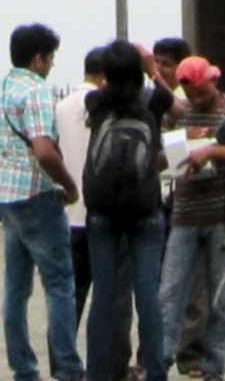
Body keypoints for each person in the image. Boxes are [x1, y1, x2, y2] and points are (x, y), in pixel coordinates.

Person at [0, 24, 81, 381]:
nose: (51, 66)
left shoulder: (0, 89)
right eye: (50, 58)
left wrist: (8, 162)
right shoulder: (37, 91)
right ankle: (67, 367)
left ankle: (23, 367)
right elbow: (45, 151)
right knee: (60, 284)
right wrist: (69, 185)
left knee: (16, 288)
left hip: (6, 195)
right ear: (38, 58)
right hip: (37, 195)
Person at [69, 44, 171, 381]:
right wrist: (151, 69)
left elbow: (97, 96)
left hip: (103, 211)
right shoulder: (153, 103)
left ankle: (98, 373)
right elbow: (174, 102)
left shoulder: (96, 103)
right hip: (145, 208)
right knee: (147, 295)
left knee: (104, 296)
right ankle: (155, 371)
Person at [157, 56, 225, 381]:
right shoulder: (179, 114)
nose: (197, 100)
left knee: (220, 297)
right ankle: (160, 358)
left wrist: (211, 150)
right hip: (184, 214)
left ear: (214, 81)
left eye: (202, 92)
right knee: (170, 292)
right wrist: (182, 144)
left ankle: (215, 364)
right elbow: (158, 158)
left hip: (221, 216)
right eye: (191, 95)